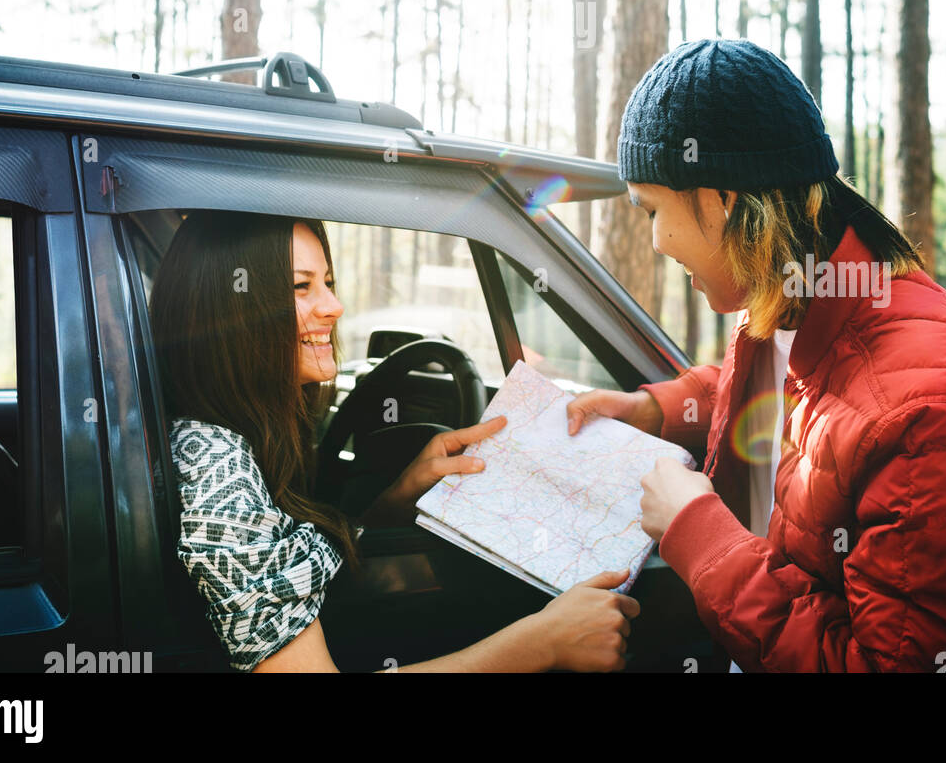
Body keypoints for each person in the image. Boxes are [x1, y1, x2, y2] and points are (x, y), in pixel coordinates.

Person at [567, 38, 946, 673]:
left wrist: (697, 530)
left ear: (725, 200)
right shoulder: (792, 302)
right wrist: (652, 411)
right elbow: (792, 400)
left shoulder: (937, 411)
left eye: (654, 210)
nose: (655, 242)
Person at [150, 209, 637, 673]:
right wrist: (542, 643)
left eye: (328, 283)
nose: (333, 307)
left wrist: (400, 500)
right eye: (301, 287)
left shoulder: (245, 436)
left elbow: (296, 572)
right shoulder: (218, 468)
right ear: (230, 308)